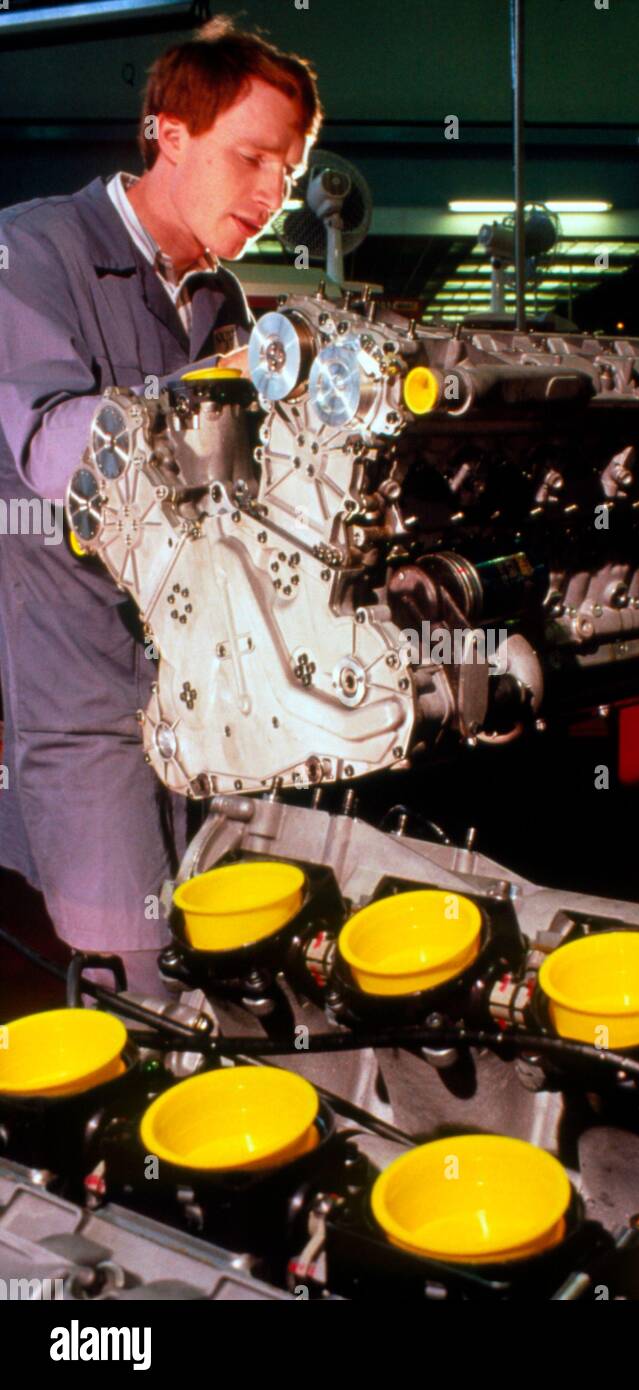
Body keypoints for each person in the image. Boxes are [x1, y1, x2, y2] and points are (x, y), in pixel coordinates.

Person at [0, 16, 322, 999]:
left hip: (210, 699)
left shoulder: (221, 299)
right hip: (84, 708)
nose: (272, 194)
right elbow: (57, 447)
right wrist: (218, 397)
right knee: (137, 996)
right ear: (168, 134)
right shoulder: (32, 249)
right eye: (252, 157)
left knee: (233, 972)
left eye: (291, 171)